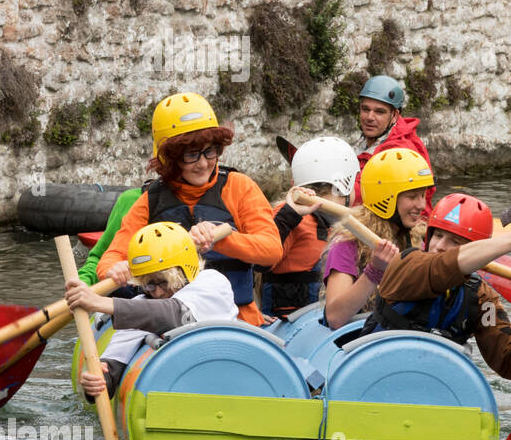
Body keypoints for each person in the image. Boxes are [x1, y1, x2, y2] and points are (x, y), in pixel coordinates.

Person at [96, 93, 282, 327]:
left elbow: (273, 250)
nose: (203, 163)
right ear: (171, 159)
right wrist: (115, 269)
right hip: (171, 324)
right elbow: (109, 260)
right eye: (191, 155)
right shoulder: (149, 201)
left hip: (236, 319)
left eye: (209, 151)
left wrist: (221, 239)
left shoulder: (240, 187)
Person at [363, 193, 511, 382]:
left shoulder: (480, 297)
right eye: (438, 235)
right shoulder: (406, 264)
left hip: (434, 384)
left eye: (455, 242)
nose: (440, 246)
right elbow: (442, 267)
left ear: (479, 252)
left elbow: (506, 358)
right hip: (374, 373)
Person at [67, 222, 237, 401]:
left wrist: (99, 302)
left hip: (229, 380)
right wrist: (96, 383)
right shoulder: (142, 305)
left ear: (184, 270)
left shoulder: (213, 282)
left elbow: (175, 315)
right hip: (178, 393)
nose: (156, 292)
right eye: (149, 284)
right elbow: (112, 370)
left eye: (162, 281)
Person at [323, 148, 433, 329]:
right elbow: (334, 317)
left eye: (423, 195)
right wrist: (375, 271)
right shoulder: (347, 242)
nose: (421, 205)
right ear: (385, 196)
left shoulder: (414, 240)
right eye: (412, 196)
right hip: (357, 341)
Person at [259, 137, 360, 318]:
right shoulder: (289, 216)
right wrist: (288, 217)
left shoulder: (339, 222)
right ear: (340, 187)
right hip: (289, 327)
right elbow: (260, 261)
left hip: (325, 323)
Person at [352, 75, 434, 212]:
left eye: (379, 112)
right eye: (365, 109)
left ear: (394, 115)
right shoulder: (365, 143)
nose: (369, 117)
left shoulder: (400, 152)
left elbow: (362, 192)